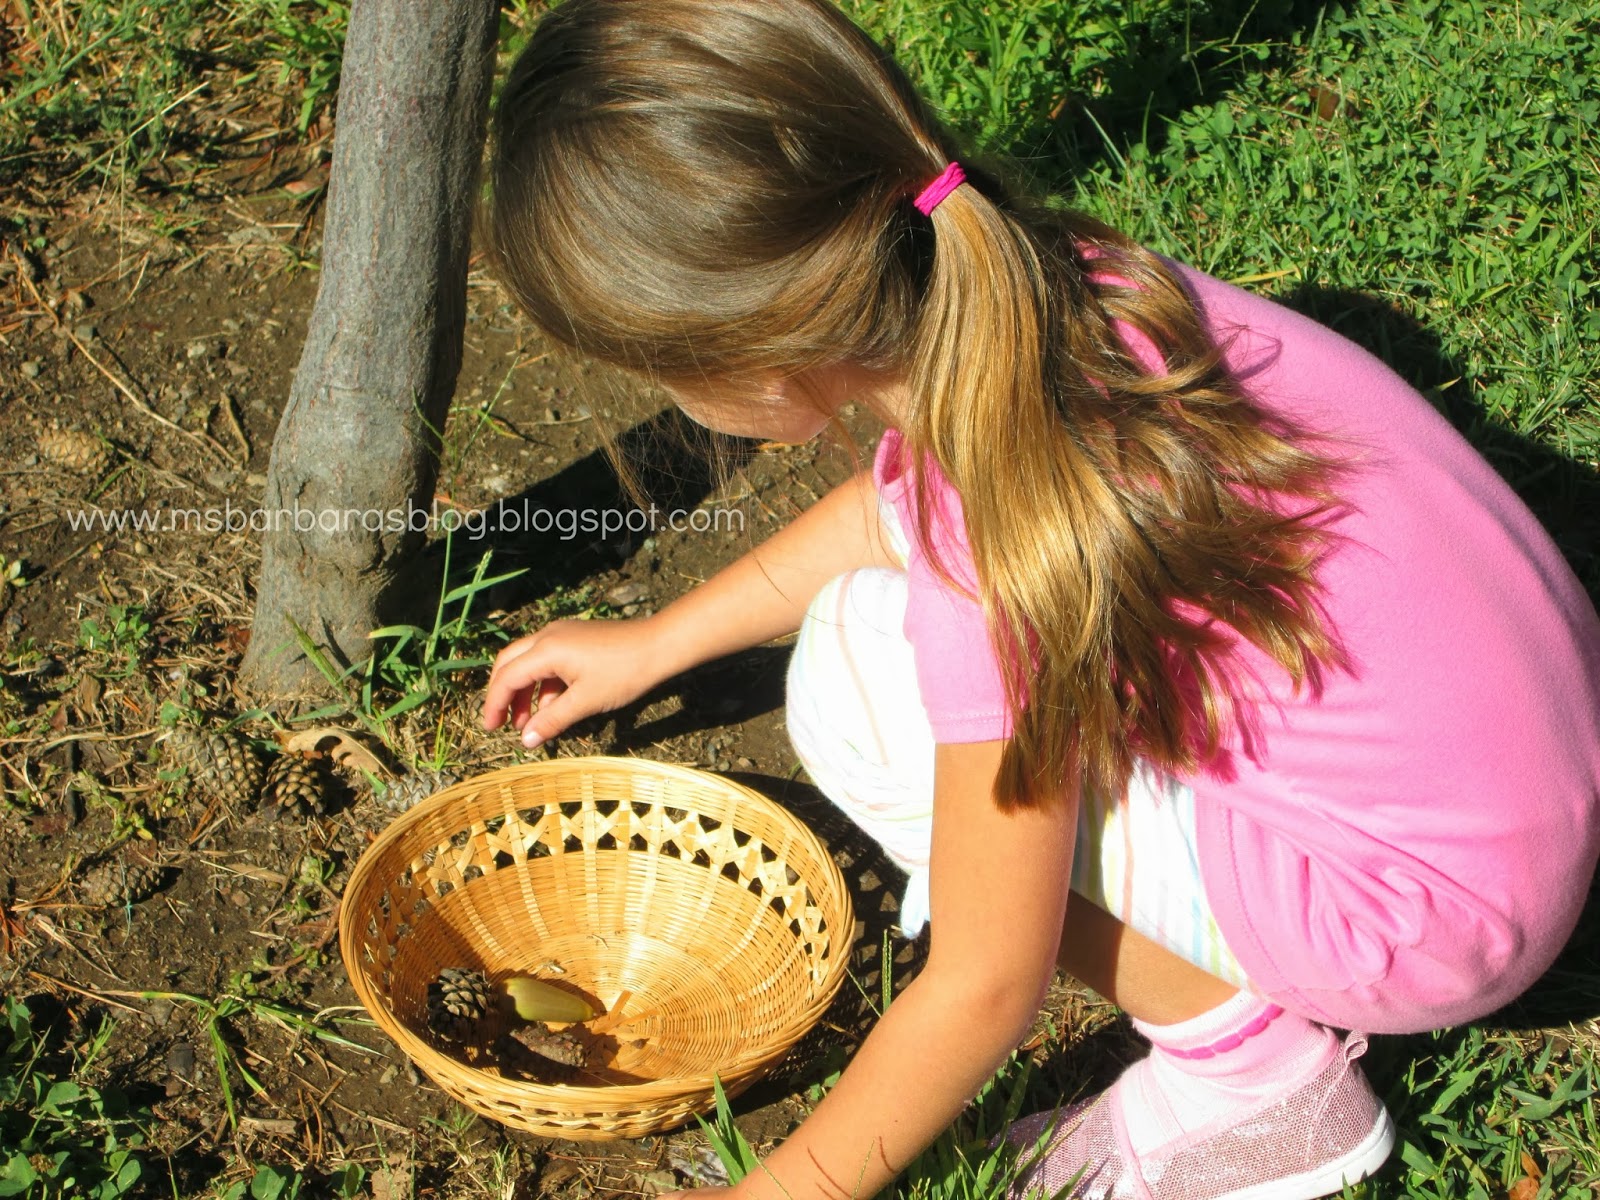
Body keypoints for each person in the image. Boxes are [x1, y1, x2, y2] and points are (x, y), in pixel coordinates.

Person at [477, 2, 1600, 1197]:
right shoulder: (1040, 283)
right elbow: (890, 511)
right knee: (874, 638)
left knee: (860, 689)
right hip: (1526, 777)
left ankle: (1248, 1082)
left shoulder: (996, 546)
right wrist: (658, 641)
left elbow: (982, 982)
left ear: (751, 366)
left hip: (1423, 913)